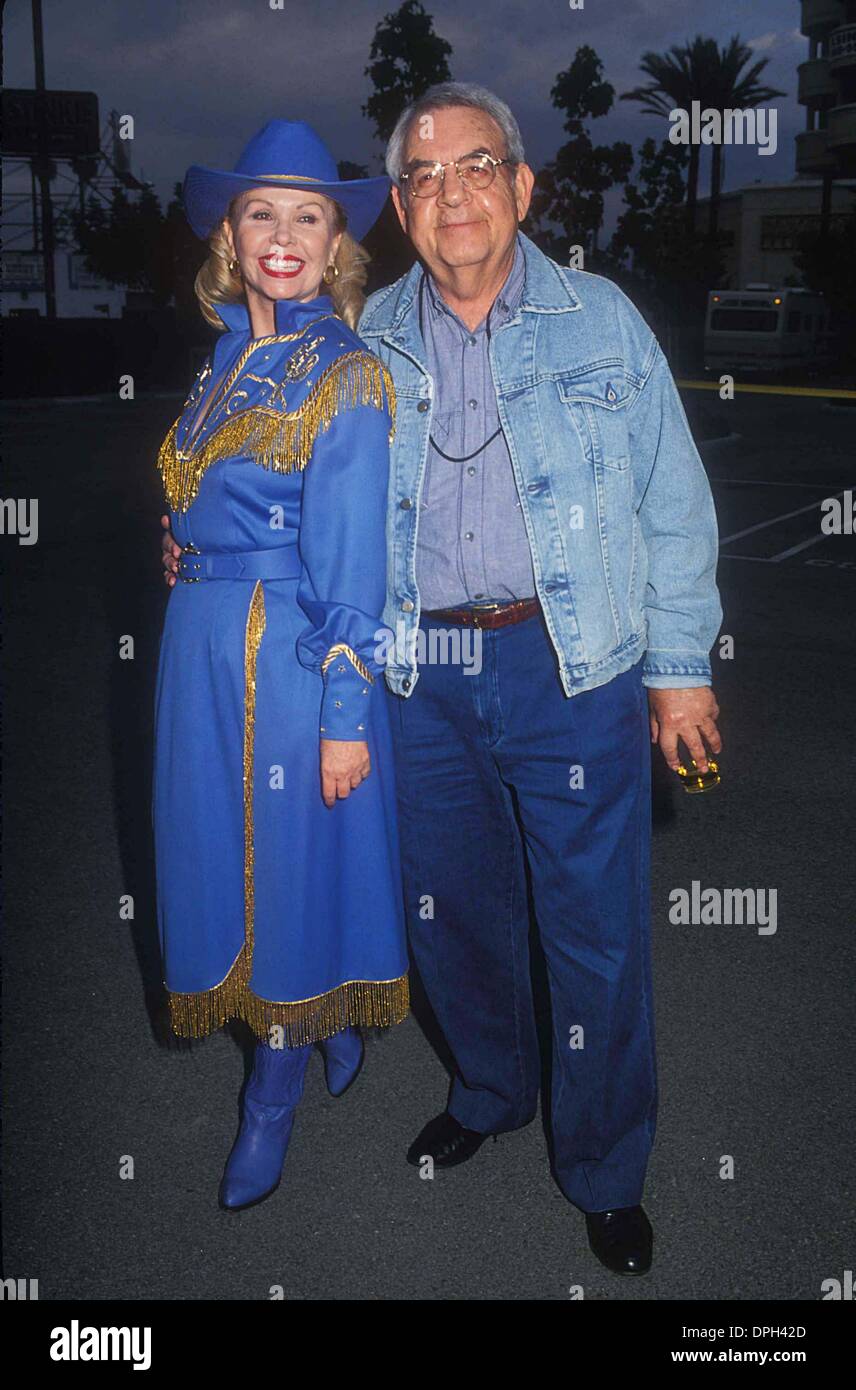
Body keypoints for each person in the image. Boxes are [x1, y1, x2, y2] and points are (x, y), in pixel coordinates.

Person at [164, 84, 723, 1276]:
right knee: (453, 914)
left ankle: (604, 1168)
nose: (450, 192)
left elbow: (672, 504)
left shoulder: (600, 320)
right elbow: (292, 482)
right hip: (420, 665)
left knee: (595, 936)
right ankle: (486, 1091)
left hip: (570, 660)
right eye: (421, 175)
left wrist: (680, 673)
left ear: (522, 189)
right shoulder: (369, 340)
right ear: (402, 211)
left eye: (476, 167)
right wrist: (196, 538)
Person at [152, 119, 408, 1213]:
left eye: (309, 215)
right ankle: (328, 1017)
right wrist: (178, 540)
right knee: (225, 857)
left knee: (291, 867)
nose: (284, 234)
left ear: (337, 243)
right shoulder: (224, 357)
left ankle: (276, 1087)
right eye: (263, 211)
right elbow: (203, 491)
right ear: (230, 232)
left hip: (294, 658)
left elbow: (354, 556)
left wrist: (345, 709)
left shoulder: (342, 371)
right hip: (199, 652)